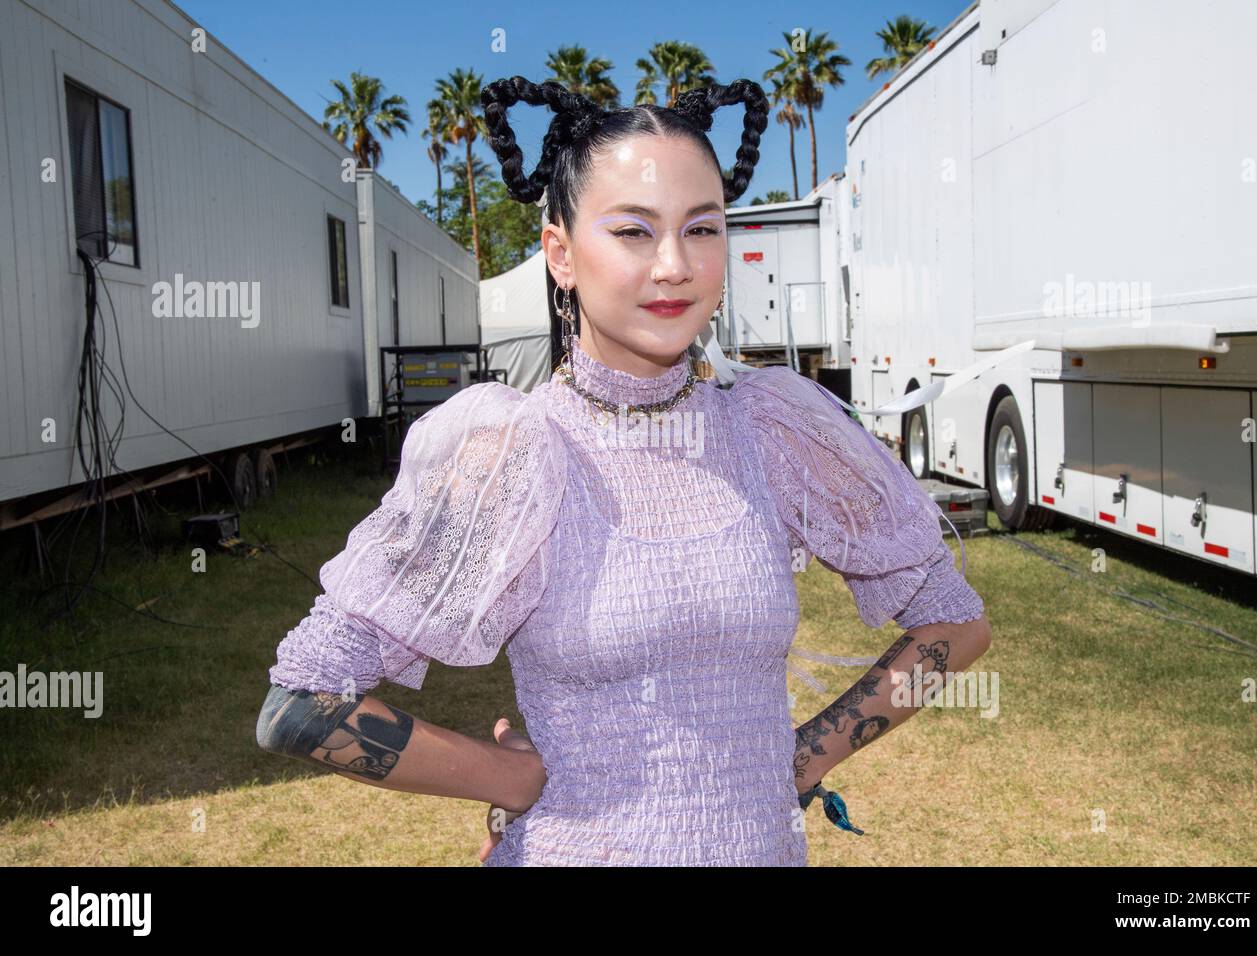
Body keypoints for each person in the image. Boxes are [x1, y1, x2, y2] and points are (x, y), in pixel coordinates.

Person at [255, 75, 991, 866]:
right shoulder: (510, 451)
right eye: (634, 231)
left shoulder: (771, 428)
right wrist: (503, 775)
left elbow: (956, 623)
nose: (674, 265)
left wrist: (803, 758)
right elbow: (301, 704)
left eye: (701, 230)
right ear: (561, 254)